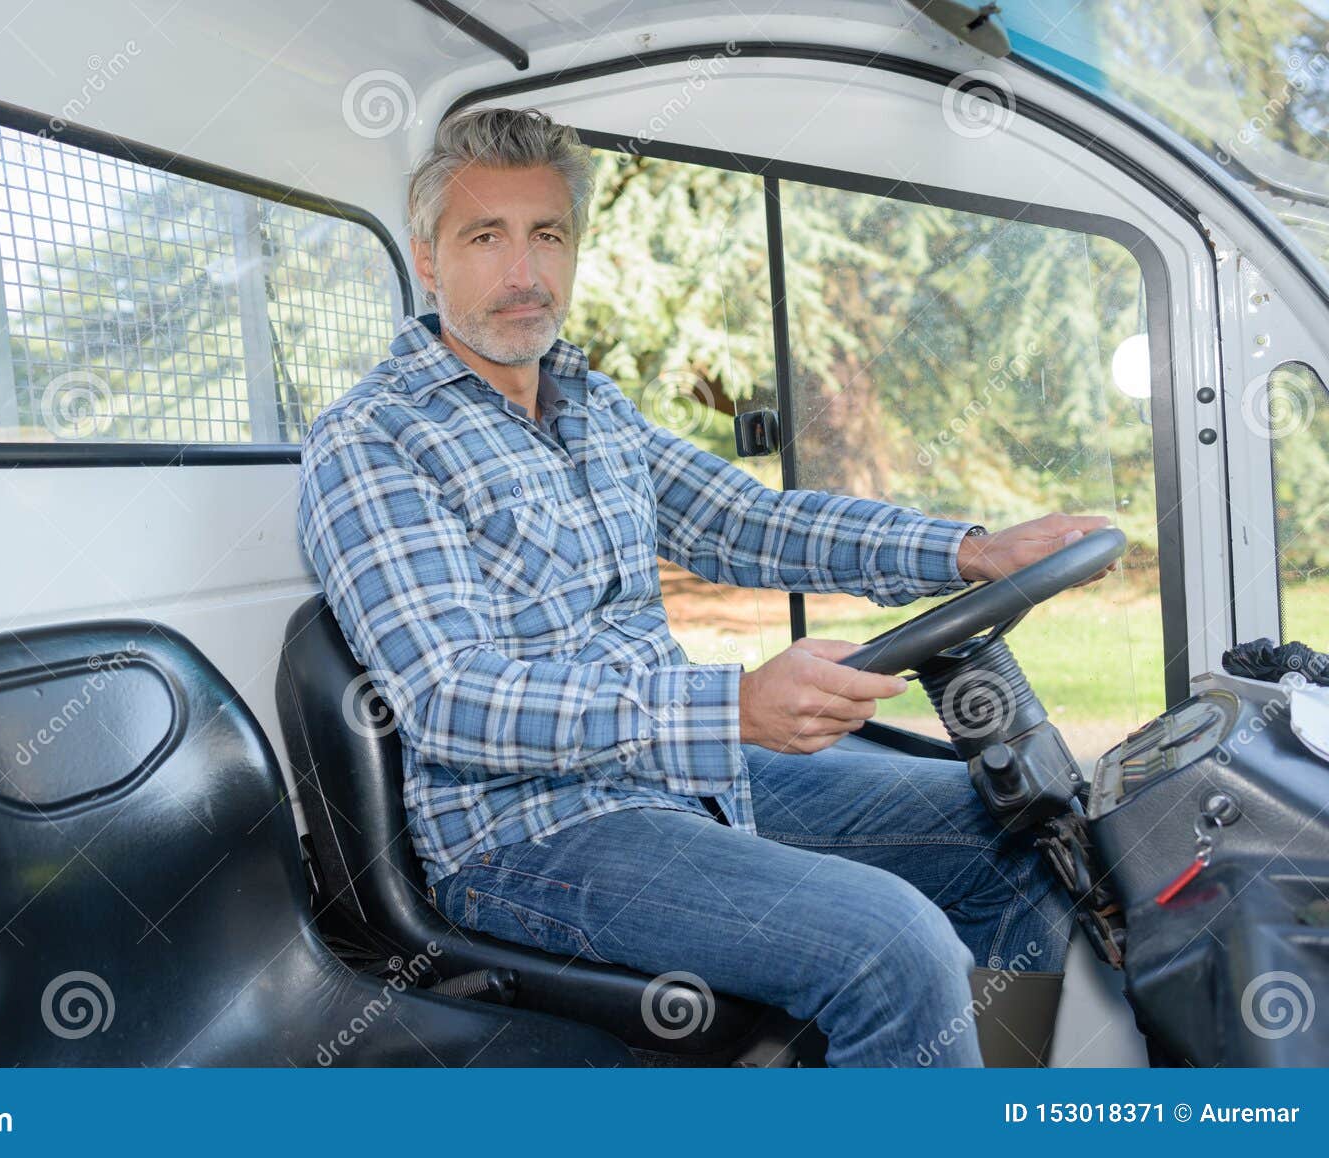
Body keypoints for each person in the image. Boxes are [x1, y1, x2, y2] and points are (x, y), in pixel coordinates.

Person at [296, 106, 1110, 1066]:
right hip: (529, 839)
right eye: (486, 237)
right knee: (892, 947)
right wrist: (735, 707)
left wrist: (970, 551)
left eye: (547, 235)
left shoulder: (590, 406)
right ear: (429, 262)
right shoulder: (373, 439)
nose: (524, 273)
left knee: (1029, 832)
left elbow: (749, 523)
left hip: (678, 779)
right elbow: (451, 698)